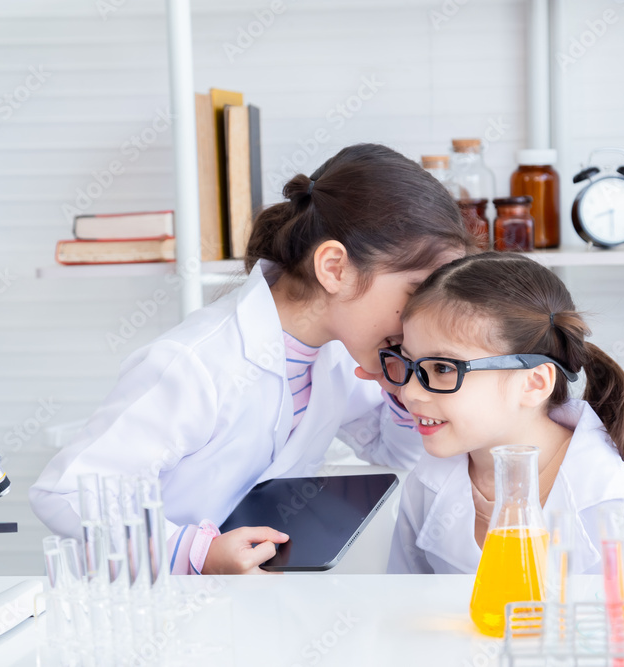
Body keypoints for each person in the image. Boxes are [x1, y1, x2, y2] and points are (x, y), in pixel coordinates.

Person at [30, 143, 469, 575]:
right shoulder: (195, 364)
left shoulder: (335, 354)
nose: (423, 317)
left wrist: (404, 393)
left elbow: (393, 451)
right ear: (335, 268)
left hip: (246, 605)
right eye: (416, 291)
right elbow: (66, 492)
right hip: (156, 602)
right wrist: (194, 552)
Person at [385, 252, 624, 575]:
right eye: (409, 363)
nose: (409, 391)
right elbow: (403, 613)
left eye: (442, 367)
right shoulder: (425, 484)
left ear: (534, 383)